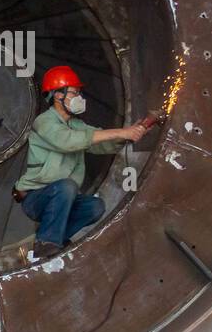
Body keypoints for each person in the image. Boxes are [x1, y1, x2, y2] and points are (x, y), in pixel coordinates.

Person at [14, 65, 146, 260]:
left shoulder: (76, 125)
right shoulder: (44, 122)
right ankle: (45, 242)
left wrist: (130, 135)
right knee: (67, 186)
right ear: (58, 95)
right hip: (36, 198)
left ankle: (57, 239)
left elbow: (100, 145)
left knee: (95, 207)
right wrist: (121, 131)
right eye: (74, 92)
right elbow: (68, 141)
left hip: (62, 197)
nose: (79, 98)